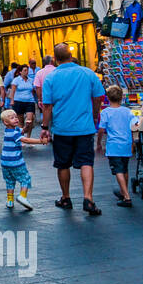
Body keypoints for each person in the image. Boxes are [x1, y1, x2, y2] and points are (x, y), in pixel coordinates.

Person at [40, 42, 108, 217]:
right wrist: (94, 115)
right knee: (86, 162)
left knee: (62, 164)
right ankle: (88, 198)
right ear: (71, 55)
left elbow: (47, 106)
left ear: (55, 59)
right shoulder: (87, 73)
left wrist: (45, 127)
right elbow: (98, 98)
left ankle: (66, 197)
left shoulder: (51, 78)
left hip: (62, 128)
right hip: (84, 127)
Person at [97, 85, 135, 207]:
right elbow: (135, 125)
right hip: (126, 143)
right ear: (121, 97)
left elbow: (101, 129)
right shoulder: (127, 111)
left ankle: (127, 197)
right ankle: (124, 192)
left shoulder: (106, 112)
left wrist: (98, 143)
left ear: (108, 98)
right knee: (125, 169)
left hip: (113, 145)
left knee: (118, 170)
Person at [0, 109, 43, 211]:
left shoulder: (11, 130)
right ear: (5, 122)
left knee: (10, 181)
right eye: (12, 118)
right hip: (16, 162)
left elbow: (23, 131)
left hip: (5, 162)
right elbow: (26, 139)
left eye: (15, 117)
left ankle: (10, 201)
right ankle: (22, 196)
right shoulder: (14, 133)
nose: (16, 119)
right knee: (25, 179)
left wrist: (27, 126)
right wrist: (41, 141)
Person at [7, 64, 37, 132]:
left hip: (30, 101)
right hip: (18, 101)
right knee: (20, 121)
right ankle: (21, 137)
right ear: (20, 72)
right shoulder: (16, 80)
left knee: (30, 120)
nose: (27, 72)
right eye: (25, 70)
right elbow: (13, 91)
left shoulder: (31, 80)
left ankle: (28, 137)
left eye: (27, 70)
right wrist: (12, 100)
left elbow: (32, 90)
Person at [33, 54, 57, 123]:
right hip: (58, 99)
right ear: (52, 61)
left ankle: (48, 131)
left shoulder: (39, 73)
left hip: (45, 99)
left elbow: (38, 88)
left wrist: (39, 99)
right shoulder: (57, 70)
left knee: (47, 120)